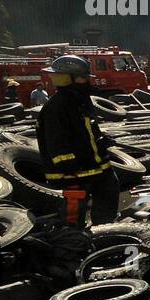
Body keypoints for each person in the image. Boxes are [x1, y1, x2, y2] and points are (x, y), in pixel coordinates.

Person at [36, 55, 120, 226]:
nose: (86, 81)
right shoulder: (56, 106)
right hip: (74, 171)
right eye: (83, 77)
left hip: (95, 165)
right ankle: (73, 240)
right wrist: (69, 167)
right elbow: (56, 141)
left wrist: (101, 141)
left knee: (110, 188)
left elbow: (87, 130)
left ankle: (104, 232)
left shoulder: (81, 100)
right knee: (75, 210)